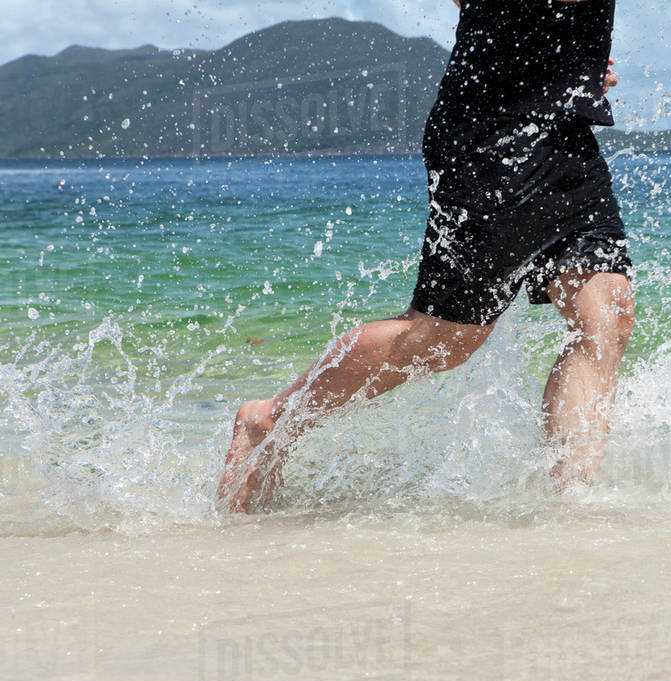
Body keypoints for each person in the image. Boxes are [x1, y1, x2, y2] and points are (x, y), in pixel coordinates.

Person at [216, 0, 635, 512]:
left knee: (606, 314)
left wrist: (565, 60)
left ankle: (571, 503)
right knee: (445, 338)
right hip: (491, 139)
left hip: (565, 134)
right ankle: (271, 420)